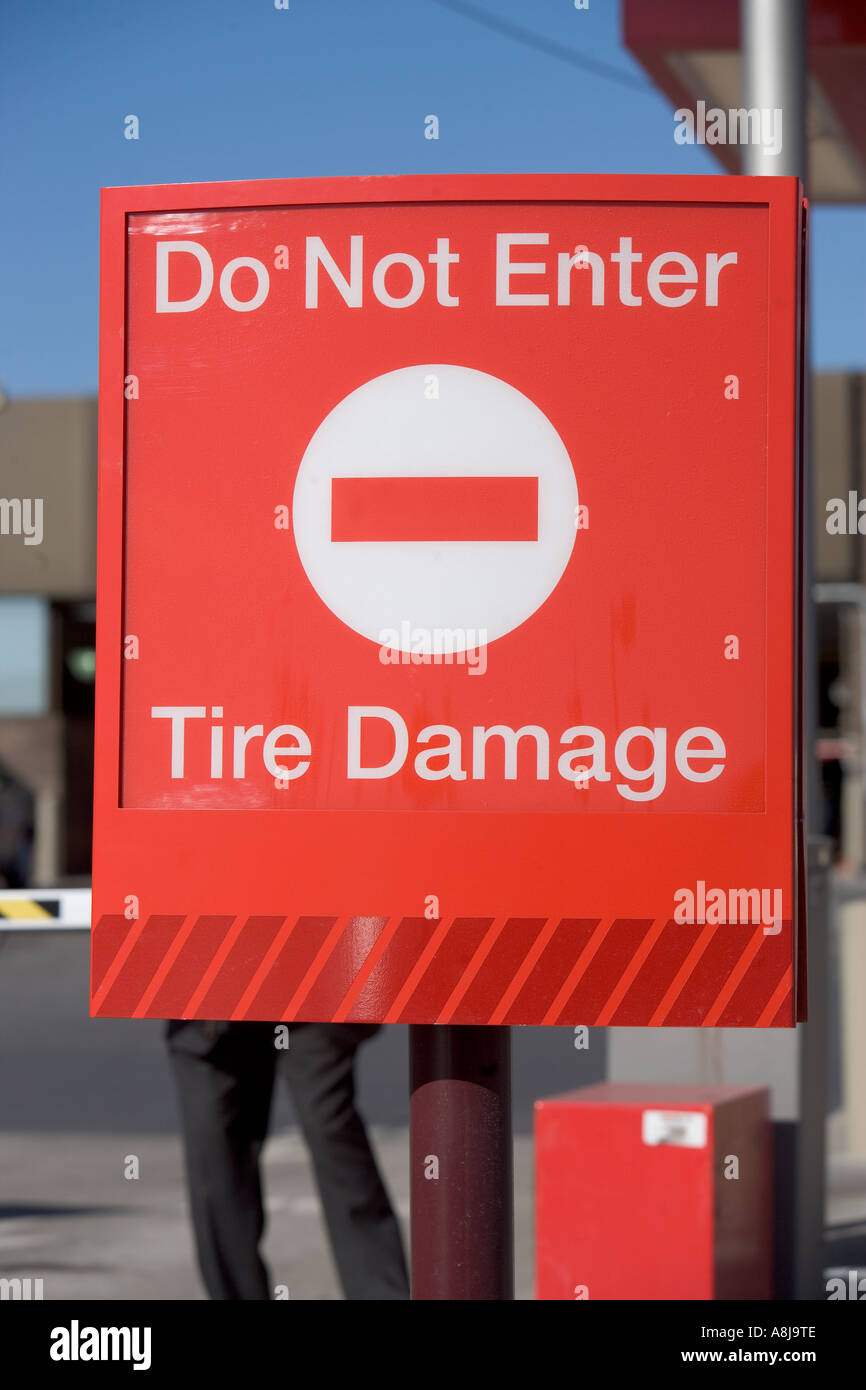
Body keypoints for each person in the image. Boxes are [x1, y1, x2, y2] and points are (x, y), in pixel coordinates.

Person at [166, 1018, 409, 1301]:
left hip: (310, 1001)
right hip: (210, 1008)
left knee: (333, 1138)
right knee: (215, 1164)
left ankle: (381, 1294)